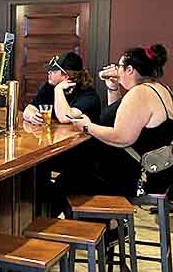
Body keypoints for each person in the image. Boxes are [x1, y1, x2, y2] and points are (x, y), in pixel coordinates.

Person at [66, 44, 173, 198]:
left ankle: (97, 220)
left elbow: (122, 137)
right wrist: (113, 88)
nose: (117, 70)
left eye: (120, 66)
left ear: (129, 70)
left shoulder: (139, 93)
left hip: (130, 177)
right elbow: (119, 118)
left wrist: (87, 126)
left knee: (67, 181)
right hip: (154, 172)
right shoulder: (160, 89)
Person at [22, 52, 101, 125]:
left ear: (66, 76)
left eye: (54, 71)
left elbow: (65, 118)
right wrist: (32, 116)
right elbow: (29, 109)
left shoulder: (88, 95)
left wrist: (58, 90)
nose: (49, 72)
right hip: (57, 137)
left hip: (83, 139)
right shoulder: (49, 86)